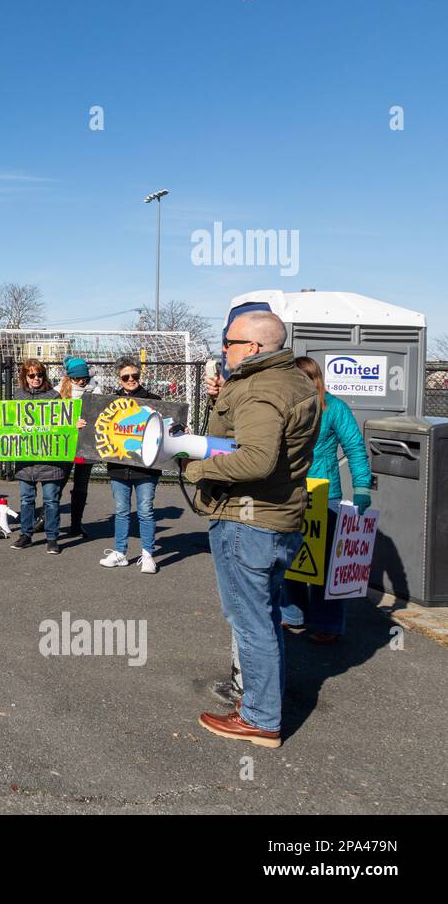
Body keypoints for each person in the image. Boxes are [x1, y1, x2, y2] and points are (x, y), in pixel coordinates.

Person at [185, 310, 320, 748]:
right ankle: (264, 706)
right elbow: (254, 441)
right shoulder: (292, 381)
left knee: (250, 621)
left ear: (255, 347)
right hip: (277, 517)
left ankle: (260, 719)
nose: (224, 348)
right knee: (266, 617)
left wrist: (194, 469)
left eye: (230, 341)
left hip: (248, 520)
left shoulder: (261, 391)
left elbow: (256, 460)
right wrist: (221, 402)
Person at [279, 356, 373, 644]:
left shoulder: (334, 407)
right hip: (290, 491)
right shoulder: (288, 406)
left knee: (325, 565)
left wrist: (362, 489)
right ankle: (292, 614)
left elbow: (356, 449)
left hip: (324, 493)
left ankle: (328, 623)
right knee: (290, 557)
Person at [99, 356, 161, 573]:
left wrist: (179, 428)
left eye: (134, 375)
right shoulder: (109, 403)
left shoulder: (154, 400)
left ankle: (147, 555)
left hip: (146, 468)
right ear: (119, 378)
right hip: (118, 467)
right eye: (126, 376)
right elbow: (96, 427)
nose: (131, 379)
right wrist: (83, 425)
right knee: (121, 511)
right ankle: (120, 553)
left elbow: (168, 427)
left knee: (145, 511)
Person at [10, 359, 69, 554]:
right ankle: (26, 535)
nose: (36, 379)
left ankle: (52, 538)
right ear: (24, 377)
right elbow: (9, 424)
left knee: (51, 500)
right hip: (26, 459)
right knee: (27, 499)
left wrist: (72, 425)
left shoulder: (54, 396)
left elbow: (62, 424)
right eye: (32, 375)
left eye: (39, 375)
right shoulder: (18, 396)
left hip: (50, 460)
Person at [57, 355, 104, 538]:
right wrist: (70, 424)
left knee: (81, 484)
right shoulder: (59, 391)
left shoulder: (96, 391)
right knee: (57, 482)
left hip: (87, 444)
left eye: (84, 377)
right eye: (77, 378)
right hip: (66, 444)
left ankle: (76, 523)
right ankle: (45, 519)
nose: (82, 381)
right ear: (69, 377)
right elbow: (53, 420)